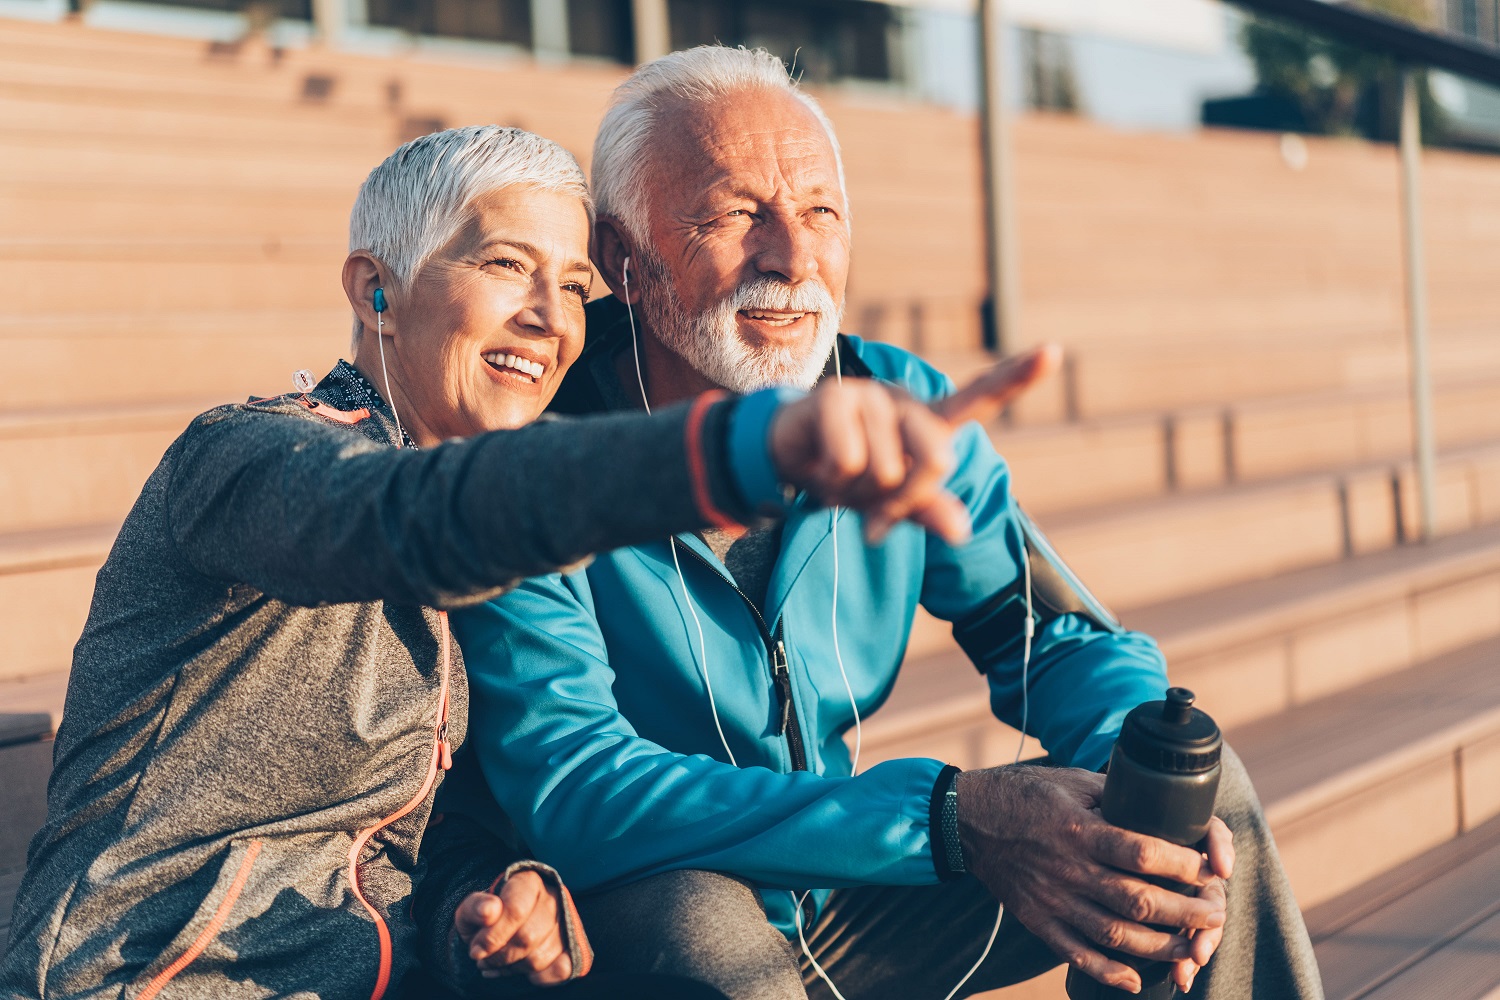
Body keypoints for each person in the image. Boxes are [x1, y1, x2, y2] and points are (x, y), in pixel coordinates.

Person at [0, 124, 1032, 1000]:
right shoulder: (250, 456)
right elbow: (405, 516)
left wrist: (495, 903)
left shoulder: (497, 547)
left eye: (575, 285)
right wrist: (747, 444)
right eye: (503, 266)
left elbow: (417, 838)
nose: (550, 317)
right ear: (377, 291)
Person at [430, 49, 1326, 1000]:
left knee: (1187, 798)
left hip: (852, 893)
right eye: (736, 215)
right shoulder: (538, 458)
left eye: (820, 212)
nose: (792, 255)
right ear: (624, 261)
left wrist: (1121, 785)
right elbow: (580, 790)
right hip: (647, 913)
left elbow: (1056, 635)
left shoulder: (903, 407)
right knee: (697, 919)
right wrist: (948, 818)